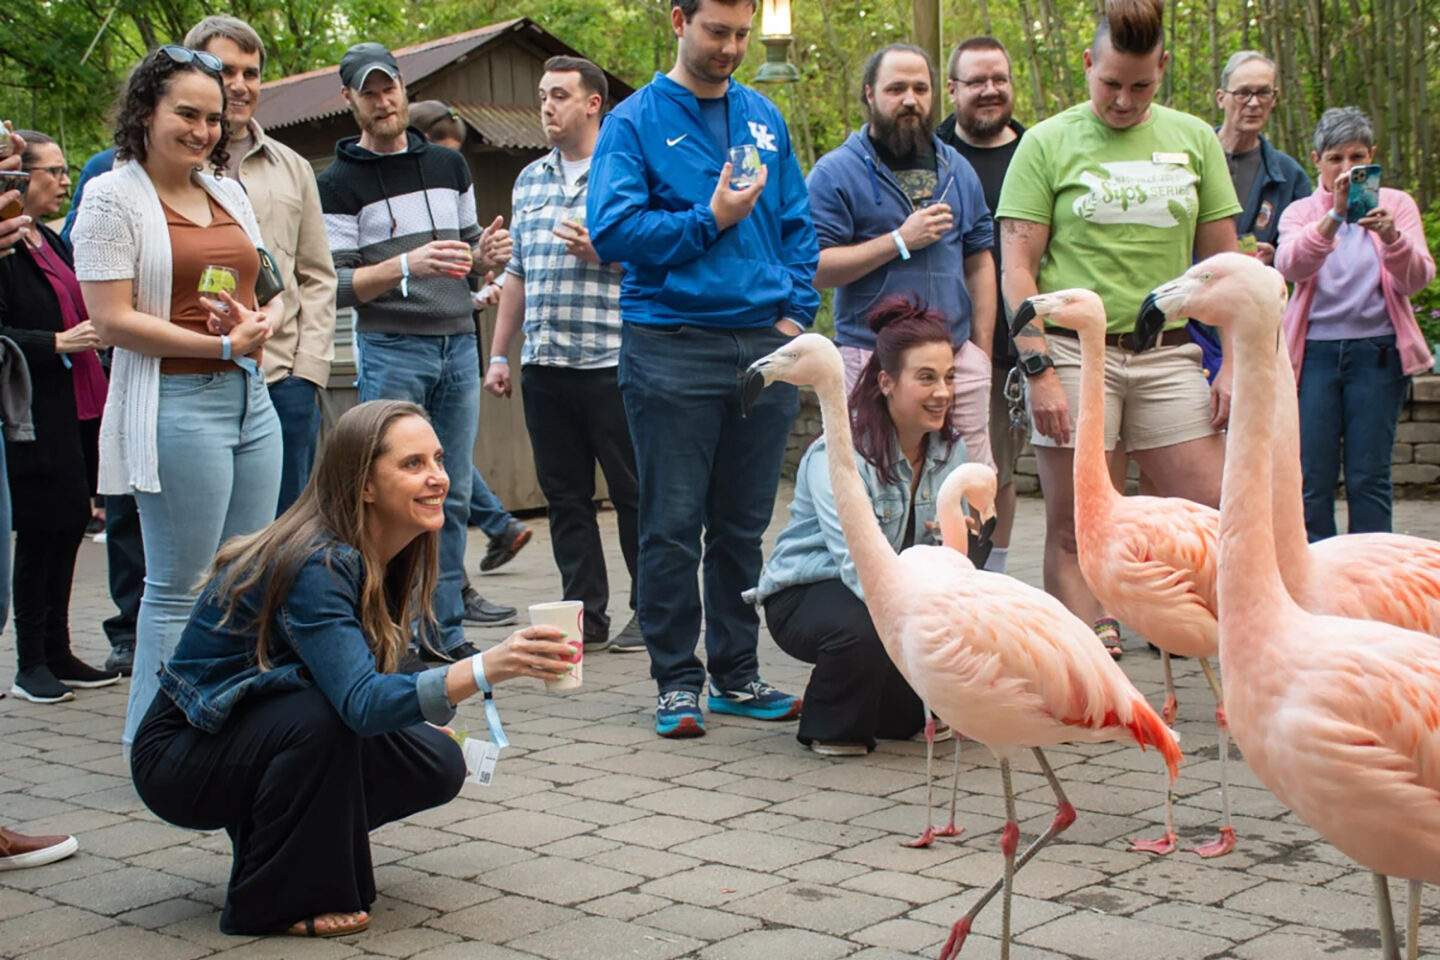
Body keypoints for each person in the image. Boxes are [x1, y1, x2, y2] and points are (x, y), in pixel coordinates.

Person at [129, 400, 575, 938]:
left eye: (438, 459)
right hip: (182, 756)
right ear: (364, 485)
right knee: (324, 721)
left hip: (258, 727)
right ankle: (272, 902)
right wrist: (487, 667)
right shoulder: (317, 563)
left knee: (437, 760)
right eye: (412, 464)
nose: (437, 477)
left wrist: (427, 713)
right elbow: (361, 703)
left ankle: (281, 842)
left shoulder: (386, 548)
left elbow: (380, 674)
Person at [589, 0, 817, 737]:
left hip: (764, 345)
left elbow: (797, 223)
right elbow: (612, 229)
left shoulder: (763, 117)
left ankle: (737, 675)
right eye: (717, 31)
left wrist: (795, 316)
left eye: (742, 33)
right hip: (671, 346)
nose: (731, 47)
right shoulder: (632, 121)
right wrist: (710, 219)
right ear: (679, 21)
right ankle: (676, 682)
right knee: (672, 524)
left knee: (743, 526)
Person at [996, 0, 1240, 656]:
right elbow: (1017, 270)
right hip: (1074, 353)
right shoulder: (1045, 143)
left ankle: (1194, 633)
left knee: (1213, 514)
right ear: (1087, 64)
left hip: (1168, 353)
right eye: (1110, 84)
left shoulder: (1196, 140)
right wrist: (1038, 369)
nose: (1125, 101)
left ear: (1163, 69)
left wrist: (1236, 365)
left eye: (1141, 86)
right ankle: (1088, 660)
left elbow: (1225, 269)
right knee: (1076, 525)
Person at [73, 45, 285, 749]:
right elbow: (110, 321)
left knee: (243, 580)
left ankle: (224, 736)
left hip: (252, 401)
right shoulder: (111, 196)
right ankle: (154, 747)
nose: (202, 131)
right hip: (175, 403)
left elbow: (273, 289)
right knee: (177, 587)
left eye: (212, 119)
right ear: (146, 112)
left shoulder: (227, 192)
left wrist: (260, 324)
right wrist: (219, 346)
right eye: (186, 114)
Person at [317, 42, 516, 659]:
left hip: (459, 342)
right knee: (392, 498)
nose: (383, 102)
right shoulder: (337, 183)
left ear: (404, 89)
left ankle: (442, 633)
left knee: (447, 493)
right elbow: (338, 285)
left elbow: (466, 253)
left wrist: (485, 255)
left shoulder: (448, 165)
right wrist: (406, 263)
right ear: (349, 100)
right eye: (369, 93)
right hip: (392, 346)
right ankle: (391, 632)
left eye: (390, 88)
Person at [750, 296, 967, 754]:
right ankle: (829, 725)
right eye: (926, 378)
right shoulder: (835, 453)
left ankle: (886, 706)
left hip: (898, 595)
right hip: (812, 590)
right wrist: (924, 619)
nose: (943, 392)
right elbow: (855, 565)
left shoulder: (952, 452)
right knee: (865, 628)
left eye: (949, 377)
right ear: (886, 382)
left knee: (909, 716)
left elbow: (954, 559)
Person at [484, 58, 642, 654]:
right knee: (565, 501)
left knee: (634, 495)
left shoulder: (626, 173)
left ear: (593, 103)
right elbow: (518, 272)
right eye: (543, 95)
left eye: (559, 95)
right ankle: (585, 616)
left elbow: (659, 259)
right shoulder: (530, 179)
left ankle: (651, 612)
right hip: (545, 366)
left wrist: (605, 252)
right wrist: (500, 355)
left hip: (612, 362)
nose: (546, 106)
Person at [808, 44, 995, 475]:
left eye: (920, 89)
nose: (910, 99)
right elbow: (815, 266)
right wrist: (899, 240)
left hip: (954, 360)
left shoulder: (958, 171)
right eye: (896, 89)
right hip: (869, 357)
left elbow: (979, 262)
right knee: (867, 480)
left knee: (971, 482)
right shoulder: (835, 173)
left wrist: (980, 351)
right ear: (869, 94)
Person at [185, 16, 339, 517]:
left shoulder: (292, 167)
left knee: (282, 534)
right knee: (203, 534)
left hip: (280, 381)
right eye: (225, 70)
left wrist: (307, 371)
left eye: (250, 73)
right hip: (192, 377)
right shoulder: (164, 165)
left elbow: (317, 275)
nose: (239, 85)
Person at [1275, 107, 1435, 540]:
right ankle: (1314, 570)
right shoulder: (1300, 212)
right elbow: (1290, 266)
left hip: (1378, 353)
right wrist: (1334, 217)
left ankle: (1373, 572)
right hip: (1314, 357)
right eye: (1335, 158)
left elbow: (1417, 279)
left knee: (1369, 477)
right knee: (1312, 478)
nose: (1346, 169)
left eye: (1357, 157)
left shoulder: (1396, 205)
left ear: (1372, 157)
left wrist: (1392, 238)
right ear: (1316, 160)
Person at [1, 130, 120, 702]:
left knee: (72, 523)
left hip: (79, 404)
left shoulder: (49, 239)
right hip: (36, 408)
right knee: (41, 530)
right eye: (52, 171)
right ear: (16, 180)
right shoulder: (5, 250)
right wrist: (55, 342)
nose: (65, 181)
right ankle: (30, 663)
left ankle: (59, 649)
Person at [407, 98, 533, 614]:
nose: (448, 164)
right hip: (399, 343)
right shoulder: (394, 190)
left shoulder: (453, 192)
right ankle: (428, 592)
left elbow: (470, 268)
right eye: (441, 152)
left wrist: (484, 272)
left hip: (457, 339)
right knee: (419, 469)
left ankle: (452, 597)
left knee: (448, 471)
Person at [937, 35, 1026, 575]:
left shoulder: (1036, 153)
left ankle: (993, 578)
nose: (990, 90)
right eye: (976, 81)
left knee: (998, 473)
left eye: (999, 79)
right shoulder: (931, 154)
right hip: (934, 345)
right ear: (952, 89)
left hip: (1010, 352)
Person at [57, 143, 144, 678]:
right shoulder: (104, 173)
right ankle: (130, 630)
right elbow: (77, 254)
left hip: (211, 361)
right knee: (127, 505)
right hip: (126, 363)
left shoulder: (218, 177)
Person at [1214, 51, 1311, 265]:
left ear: (1274, 99)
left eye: (1264, 92)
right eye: (1243, 93)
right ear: (1221, 98)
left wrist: (1277, 258)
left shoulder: (1289, 176)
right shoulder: (1193, 159)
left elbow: (1304, 256)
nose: (1254, 103)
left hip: (1254, 283)